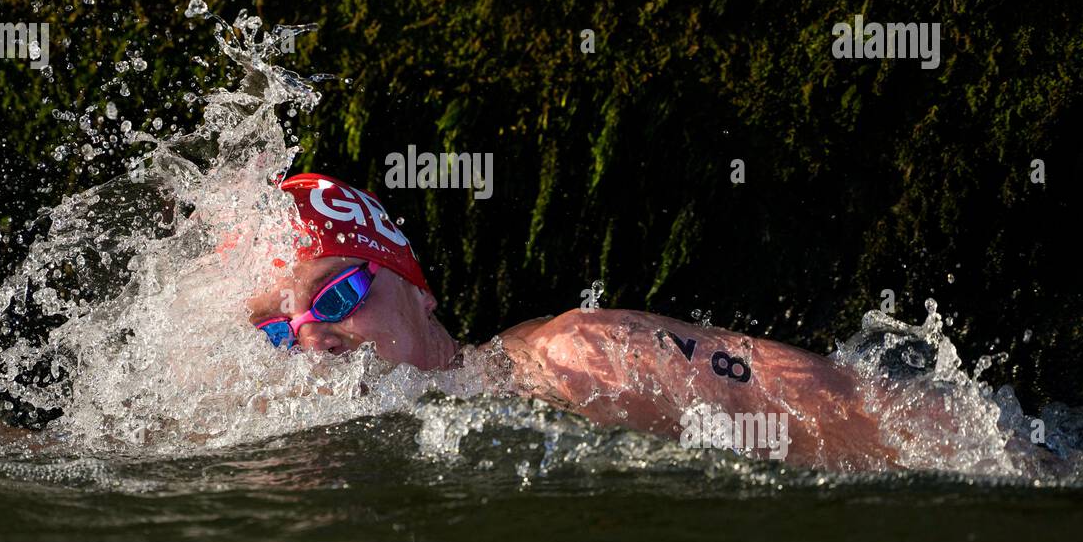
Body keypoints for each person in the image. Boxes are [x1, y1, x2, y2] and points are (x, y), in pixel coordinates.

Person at [241, 173, 923, 471]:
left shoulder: (577, 361)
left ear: (421, 294)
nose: (312, 338)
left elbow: (860, 412)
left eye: (337, 298)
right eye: (280, 331)